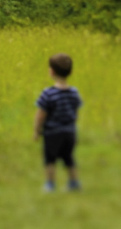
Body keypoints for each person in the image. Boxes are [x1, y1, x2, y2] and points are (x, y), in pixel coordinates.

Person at [35, 53, 82, 192]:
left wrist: (37, 130)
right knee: (69, 158)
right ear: (71, 72)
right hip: (69, 132)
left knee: (50, 159)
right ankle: (74, 183)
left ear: (51, 71)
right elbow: (75, 110)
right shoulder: (74, 92)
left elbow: (41, 114)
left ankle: (50, 184)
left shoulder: (48, 93)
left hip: (52, 132)